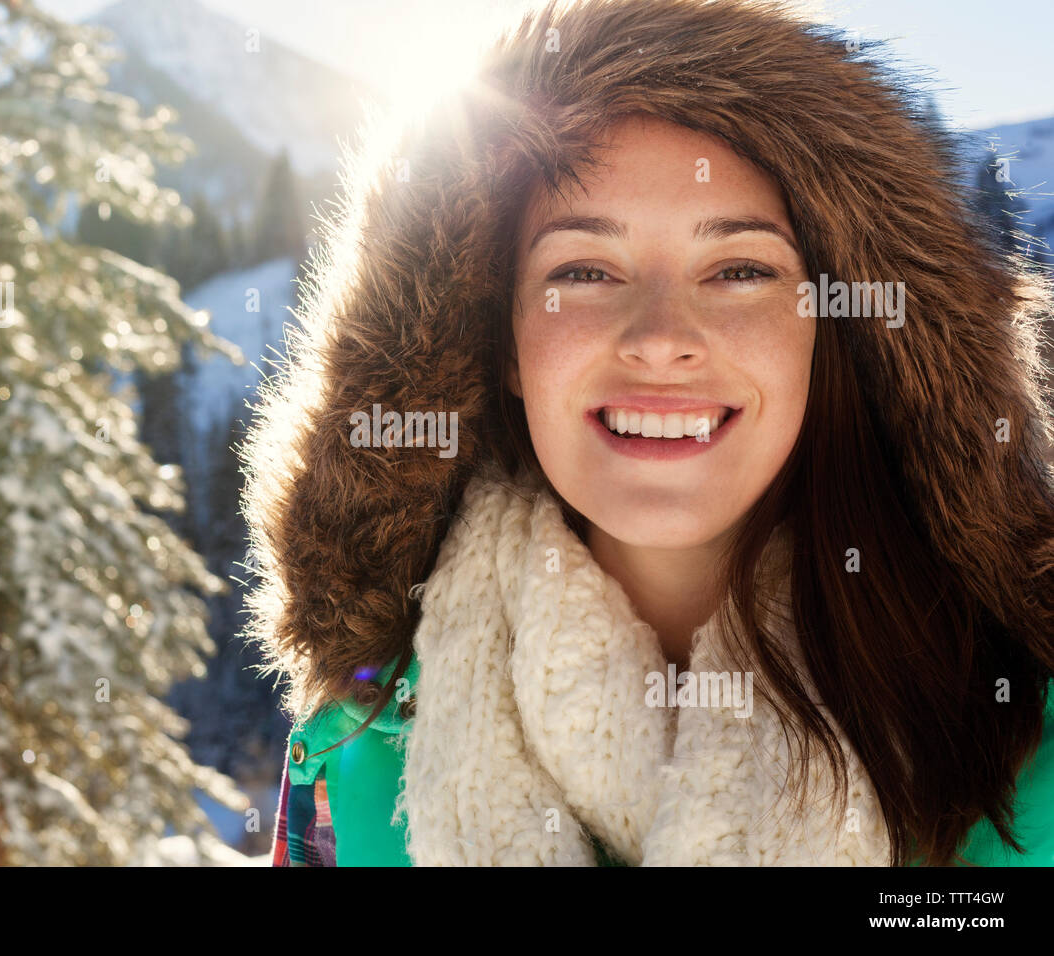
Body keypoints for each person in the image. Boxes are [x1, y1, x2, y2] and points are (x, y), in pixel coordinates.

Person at [241, 0, 1054, 866]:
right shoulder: (355, 751)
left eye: (740, 269)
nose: (662, 337)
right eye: (584, 270)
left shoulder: (1024, 738)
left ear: (835, 332)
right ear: (500, 342)